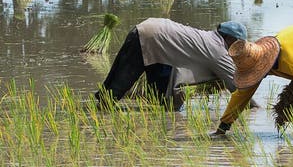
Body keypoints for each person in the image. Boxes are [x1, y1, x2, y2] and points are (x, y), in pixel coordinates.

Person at [95, 18, 248, 110]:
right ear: (229, 38)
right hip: (149, 35)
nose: (238, 48)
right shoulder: (217, 50)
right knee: (123, 80)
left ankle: (163, 119)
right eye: (238, 43)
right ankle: (99, 110)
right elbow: (237, 85)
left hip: (160, 41)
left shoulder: (210, 39)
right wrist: (255, 108)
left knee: (165, 99)